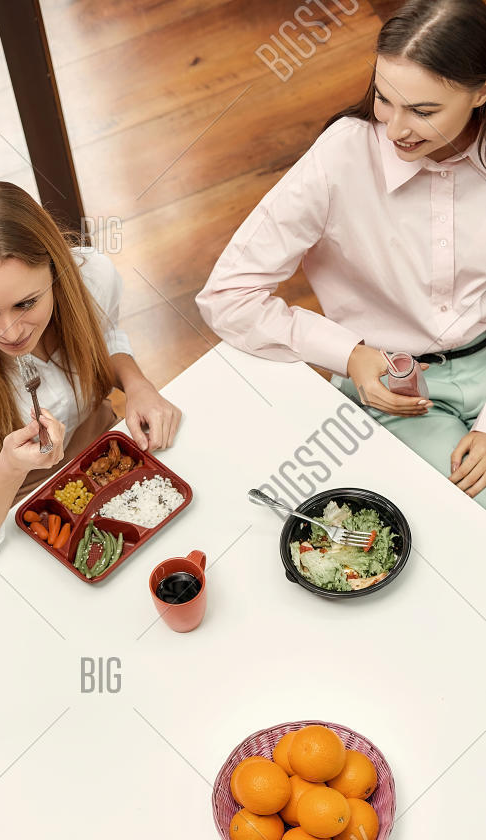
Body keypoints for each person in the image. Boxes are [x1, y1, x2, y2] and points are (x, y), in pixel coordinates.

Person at [197, 0, 486, 508]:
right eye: (385, 98)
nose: (396, 129)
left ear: (481, 92)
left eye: (423, 111)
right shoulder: (342, 157)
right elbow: (227, 295)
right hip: (395, 387)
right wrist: (348, 355)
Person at [0, 180, 182, 554]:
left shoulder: (93, 274)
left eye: (27, 303)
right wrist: (12, 468)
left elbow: (105, 339)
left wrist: (136, 383)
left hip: (101, 448)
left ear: (57, 269)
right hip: (10, 499)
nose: (11, 332)